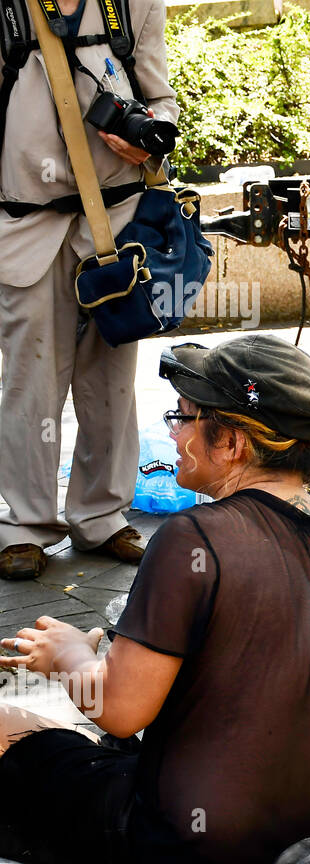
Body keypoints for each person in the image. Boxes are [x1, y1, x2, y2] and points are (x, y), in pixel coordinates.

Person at [0, 335, 310, 864]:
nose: (172, 433)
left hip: (189, 839)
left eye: (182, 417)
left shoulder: (194, 538)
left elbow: (118, 711)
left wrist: (69, 656)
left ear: (232, 443)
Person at [0, 0, 177, 581]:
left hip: (115, 224)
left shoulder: (133, 5)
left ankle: (102, 516)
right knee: (30, 382)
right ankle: (25, 527)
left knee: (112, 381)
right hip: (27, 225)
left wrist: (154, 139)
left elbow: (160, 95)